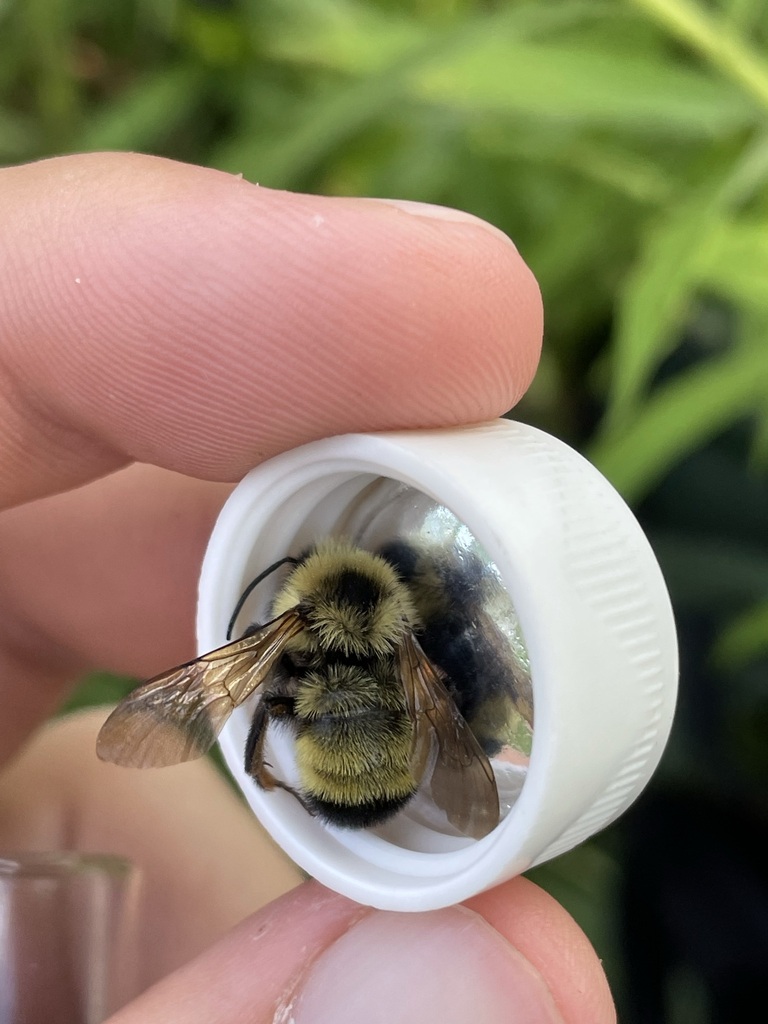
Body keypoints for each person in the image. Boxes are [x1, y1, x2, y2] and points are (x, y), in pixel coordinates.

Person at [0, 152, 615, 1023]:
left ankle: (286, 779)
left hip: (327, 778)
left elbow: (205, 699)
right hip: (380, 779)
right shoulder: (408, 639)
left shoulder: (276, 633)